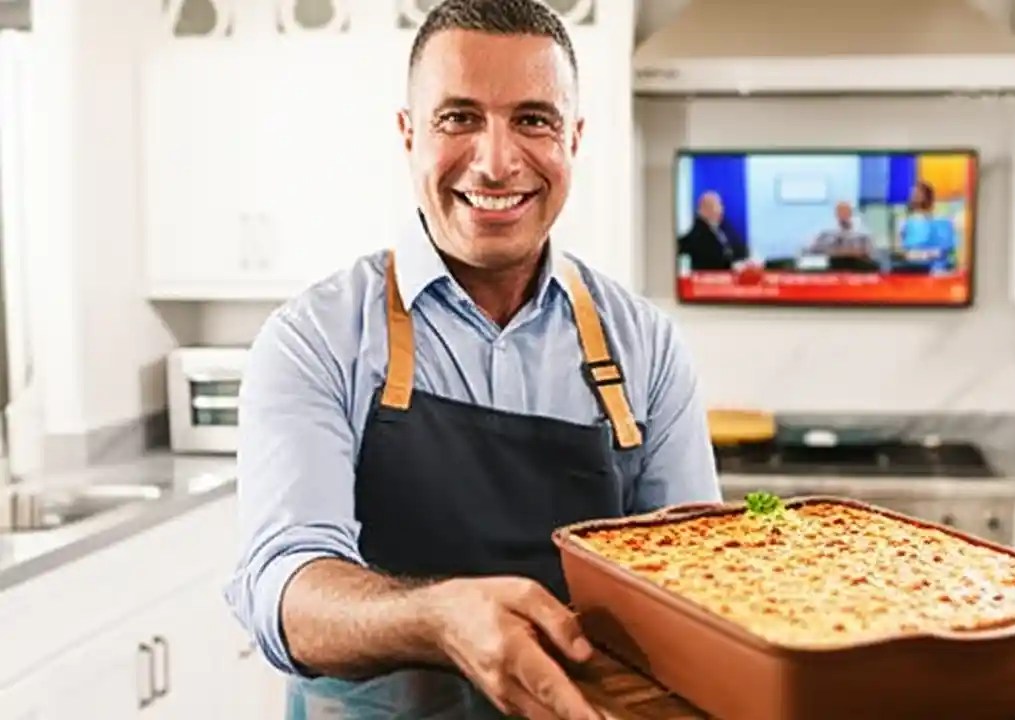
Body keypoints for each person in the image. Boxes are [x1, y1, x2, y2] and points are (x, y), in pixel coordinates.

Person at [222, 1, 721, 718]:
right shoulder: (315, 339)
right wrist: (436, 618)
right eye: (458, 118)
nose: (494, 163)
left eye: (534, 120)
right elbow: (286, 591)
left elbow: (695, 591)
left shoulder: (647, 347)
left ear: (574, 139)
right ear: (409, 135)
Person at [676, 190, 748, 270]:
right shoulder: (698, 235)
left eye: (721, 205)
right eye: (717, 206)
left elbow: (737, 247)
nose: (721, 209)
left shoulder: (724, 228)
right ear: (704, 209)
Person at [898, 181, 957, 272]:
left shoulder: (943, 222)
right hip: (916, 270)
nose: (913, 197)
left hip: (936, 270)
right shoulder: (905, 223)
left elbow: (947, 253)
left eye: (916, 195)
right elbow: (903, 252)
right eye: (913, 195)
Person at [805, 201, 874, 259]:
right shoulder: (825, 235)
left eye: (846, 212)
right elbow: (815, 251)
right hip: (832, 268)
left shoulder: (862, 236)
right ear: (836, 214)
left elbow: (869, 253)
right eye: (840, 212)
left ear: (851, 214)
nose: (843, 215)